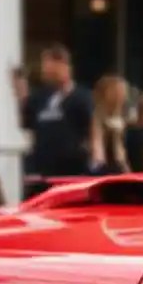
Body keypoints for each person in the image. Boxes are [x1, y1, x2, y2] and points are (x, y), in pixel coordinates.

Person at [15, 44, 93, 199]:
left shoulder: (81, 98)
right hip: (42, 170)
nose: (45, 72)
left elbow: (91, 130)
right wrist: (20, 96)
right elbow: (26, 124)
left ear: (63, 66)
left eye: (49, 67)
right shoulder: (40, 97)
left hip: (71, 172)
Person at [90, 75, 130, 175]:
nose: (120, 95)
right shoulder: (97, 118)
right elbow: (97, 144)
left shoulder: (125, 119)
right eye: (115, 91)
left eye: (122, 91)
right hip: (105, 168)